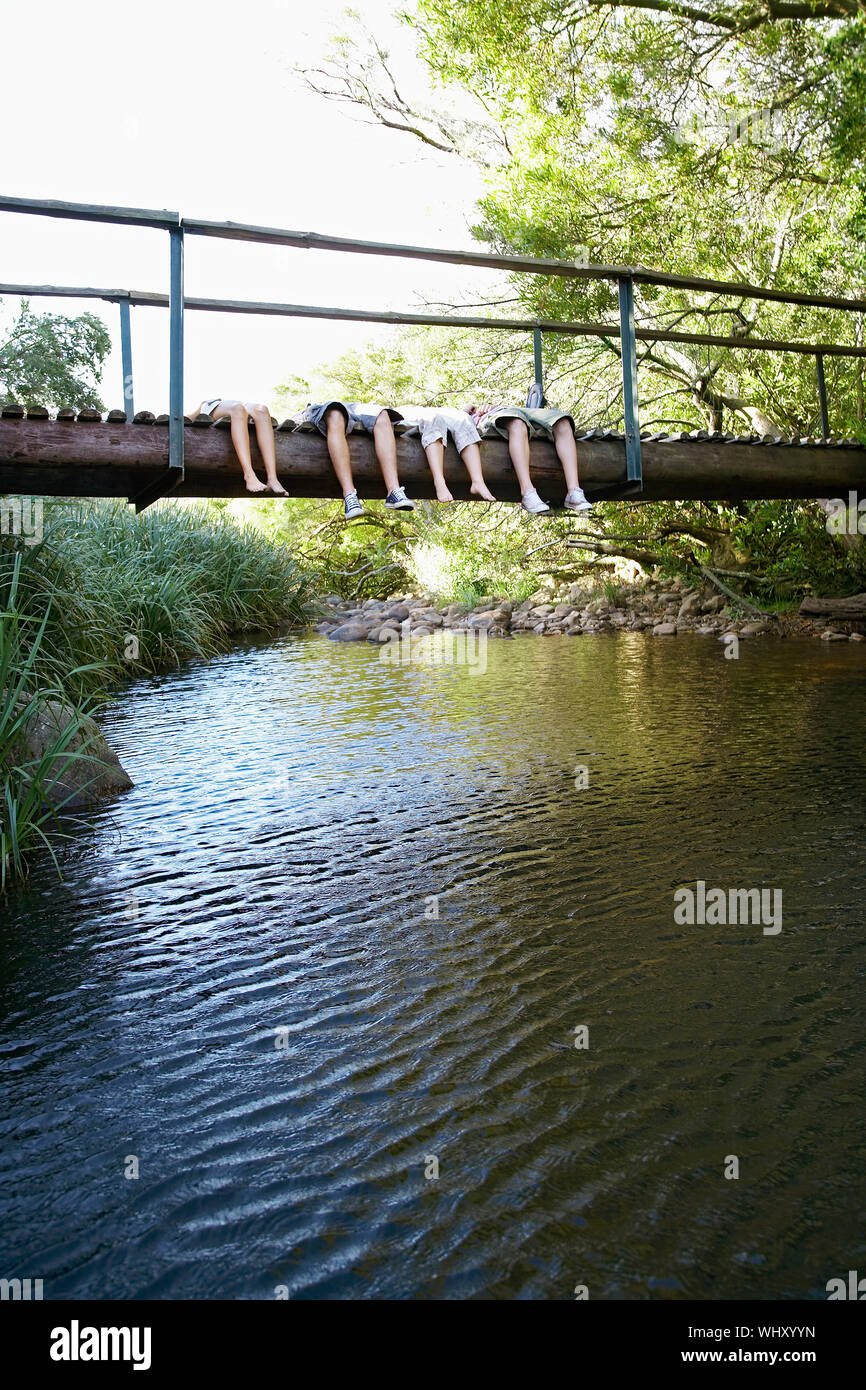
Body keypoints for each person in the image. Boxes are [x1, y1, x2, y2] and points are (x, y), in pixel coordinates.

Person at [464, 399, 591, 515]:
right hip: (492, 417)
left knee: (562, 420)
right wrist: (467, 408)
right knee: (517, 423)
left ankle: (574, 491)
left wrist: (486, 406)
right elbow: (455, 420)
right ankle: (527, 492)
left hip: (509, 409)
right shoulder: (459, 418)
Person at [295, 401, 415, 519]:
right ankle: (349, 495)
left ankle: (394, 491)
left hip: (356, 407)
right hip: (327, 407)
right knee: (334, 412)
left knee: (382, 414)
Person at [396, 405, 496, 503]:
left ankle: (478, 482)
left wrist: (465, 410)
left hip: (442, 412)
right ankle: (439, 482)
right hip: (411, 415)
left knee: (463, 418)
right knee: (433, 418)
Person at [190, 398, 288, 495]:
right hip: (214, 404)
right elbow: (187, 417)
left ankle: (273, 479)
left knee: (262, 409)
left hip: (235, 402)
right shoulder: (205, 405)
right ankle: (249, 475)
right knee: (237, 408)